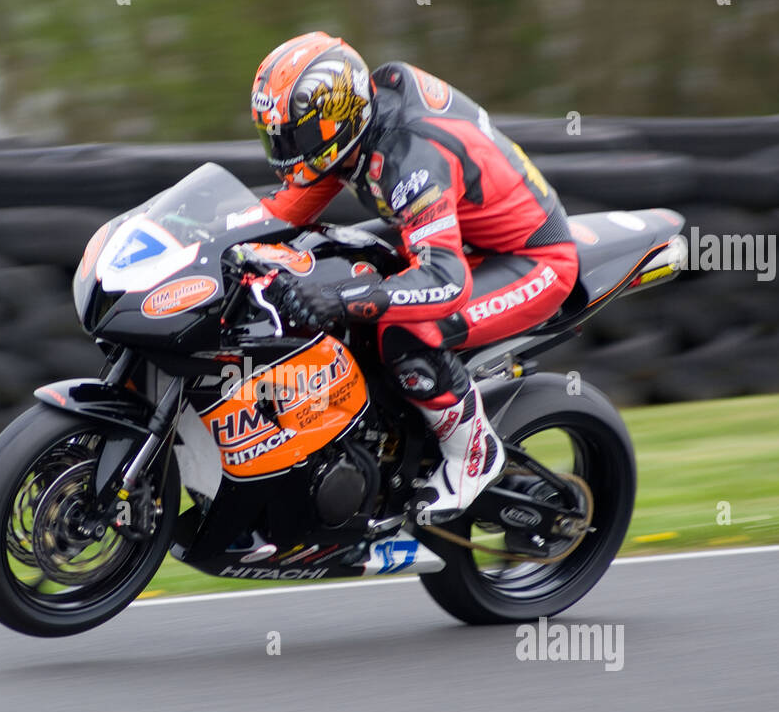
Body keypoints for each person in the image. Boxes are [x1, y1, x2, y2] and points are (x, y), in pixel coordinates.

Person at [245, 31, 579, 521]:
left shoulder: (408, 157)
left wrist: (340, 298)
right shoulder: (356, 130)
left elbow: (445, 281)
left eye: (297, 135)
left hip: (531, 259)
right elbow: (274, 217)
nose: (286, 150)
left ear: (337, 119)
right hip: (465, 239)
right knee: (328, 255)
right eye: (277, 136)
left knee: (400, 326)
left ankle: (474, 452)